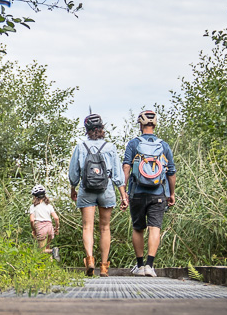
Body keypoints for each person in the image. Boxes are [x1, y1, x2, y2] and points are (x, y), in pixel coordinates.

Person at [67, 112, 128, 277]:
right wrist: (123, 195)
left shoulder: (80, 147)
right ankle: (104, 267)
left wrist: (73, 188)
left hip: (86, 189)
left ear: (86, 129)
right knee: (105, 228)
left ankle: (90, 259)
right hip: (106, 189)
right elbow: (117, 174)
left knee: (87, 227)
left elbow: (74, 173)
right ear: (101, 128)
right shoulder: (110, 147)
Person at [122, 107, 176, 276]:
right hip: (158, 193)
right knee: (155, 228)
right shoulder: (163, 145)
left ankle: (139, 266)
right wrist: (171, 194)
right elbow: (171, 172)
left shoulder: (133, 144)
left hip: (137, 193)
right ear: (155, 124)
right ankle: (150, 266)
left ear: (140, 124)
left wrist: (123, 192)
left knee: (138, 228)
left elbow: (126, 167)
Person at [27, 185, 59, 259]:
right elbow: (56, 218)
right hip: (50, 227)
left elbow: (32, 220)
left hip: (40, 227)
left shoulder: (33, 207)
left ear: (35, 197)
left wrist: (33, 229)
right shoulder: (49, 206)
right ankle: (50, 265)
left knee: (41, 250)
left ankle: (53, 250)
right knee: (46, 248)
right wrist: (57, 228)